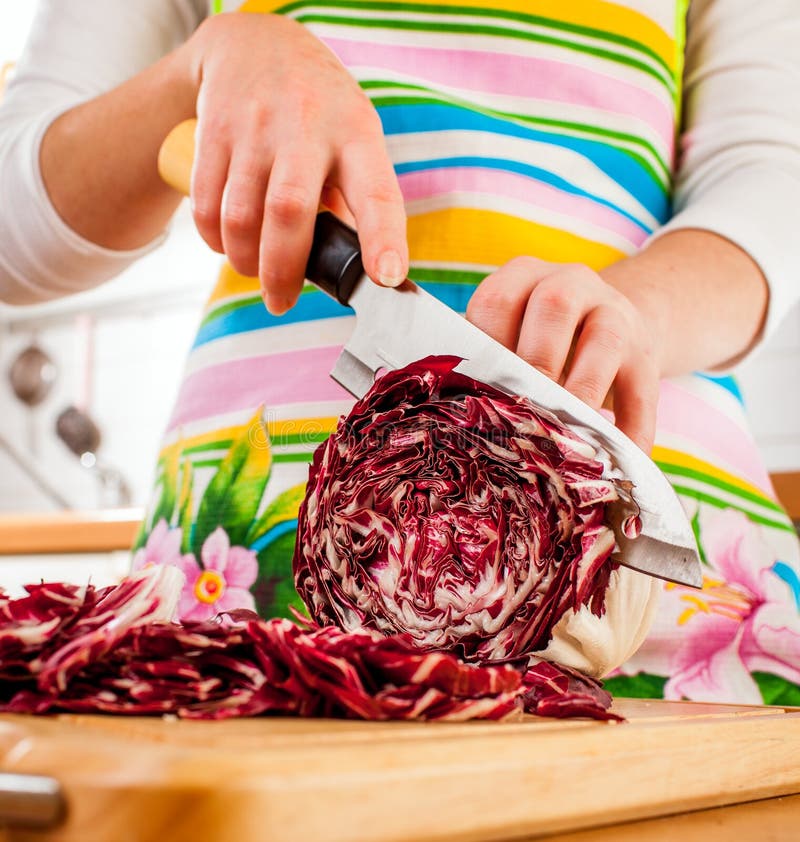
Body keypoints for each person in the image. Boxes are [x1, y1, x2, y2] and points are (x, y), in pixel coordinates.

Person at [1, 0, 799, 704]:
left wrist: (633, 312)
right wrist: (200, 67)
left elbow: (770, 176)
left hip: (663, 611)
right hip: (248, 597)